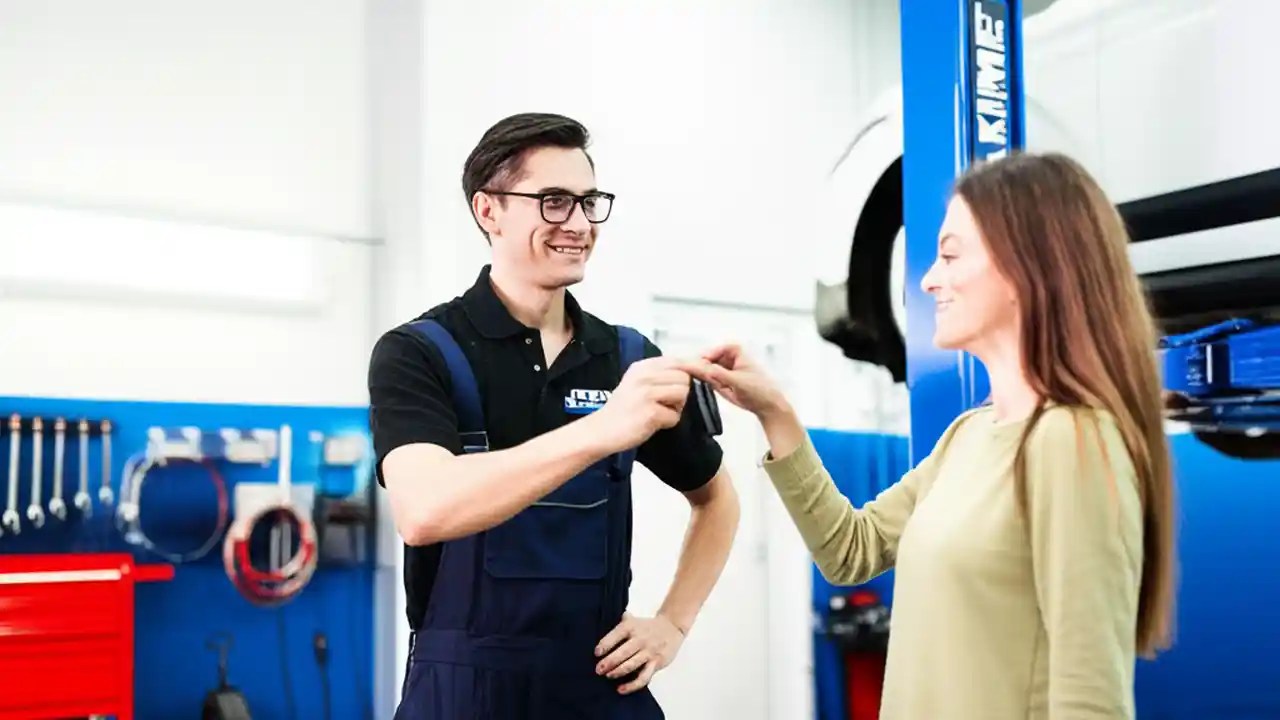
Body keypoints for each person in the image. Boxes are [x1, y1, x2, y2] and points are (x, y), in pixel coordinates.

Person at [685, 151, 1177, 720]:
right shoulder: (970, 435)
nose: (928, 279)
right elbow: (851, 551)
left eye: (949, 255)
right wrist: (774, 412)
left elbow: (1090, 700)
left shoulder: (1073, 443)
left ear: (1026, 268)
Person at [367, 112, 740, 719]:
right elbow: (425, 510)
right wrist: (603, 429)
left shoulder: (625, 357)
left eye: (590, 203)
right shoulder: (419, 352)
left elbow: (717, 499)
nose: (578, 224)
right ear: (489, 211)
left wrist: (672, 623)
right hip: (464, 693)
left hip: (596, 687)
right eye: (554, 201)